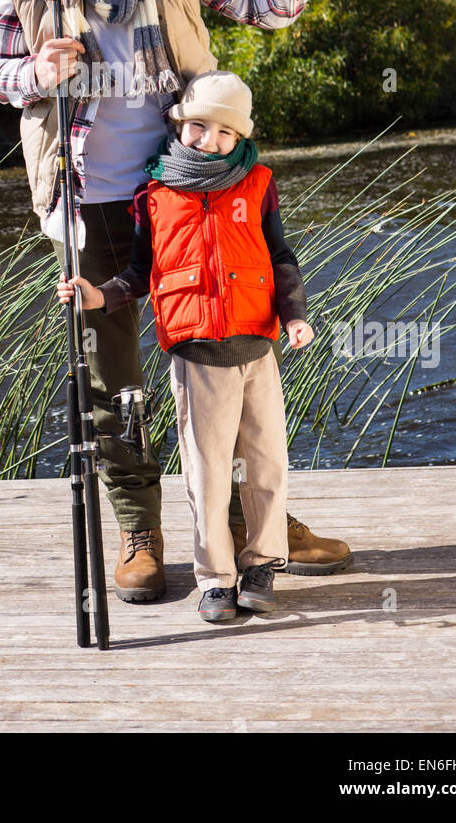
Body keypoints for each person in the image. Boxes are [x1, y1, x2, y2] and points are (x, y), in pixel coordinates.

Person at [0, 0, 352, 601]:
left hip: (192, 197)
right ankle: (141, 529)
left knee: (232, 365)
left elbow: (266, 5)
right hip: (89, 205)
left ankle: (255, 528)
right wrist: (33, 71)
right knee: (117, 383)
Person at [57, 70, 315, 622]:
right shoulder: (154, 195)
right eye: (197, 126)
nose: (209, 140)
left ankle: (262, 563)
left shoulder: (258, 184)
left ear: (240, 137)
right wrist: (96, 297)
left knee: (267, 463)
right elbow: (138, 274)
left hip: (257, 352)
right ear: (178, 124)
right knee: (207, 471)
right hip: (197, 358)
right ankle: (216, 579)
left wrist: (294, 316)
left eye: (223, 132)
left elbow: (281, 257)